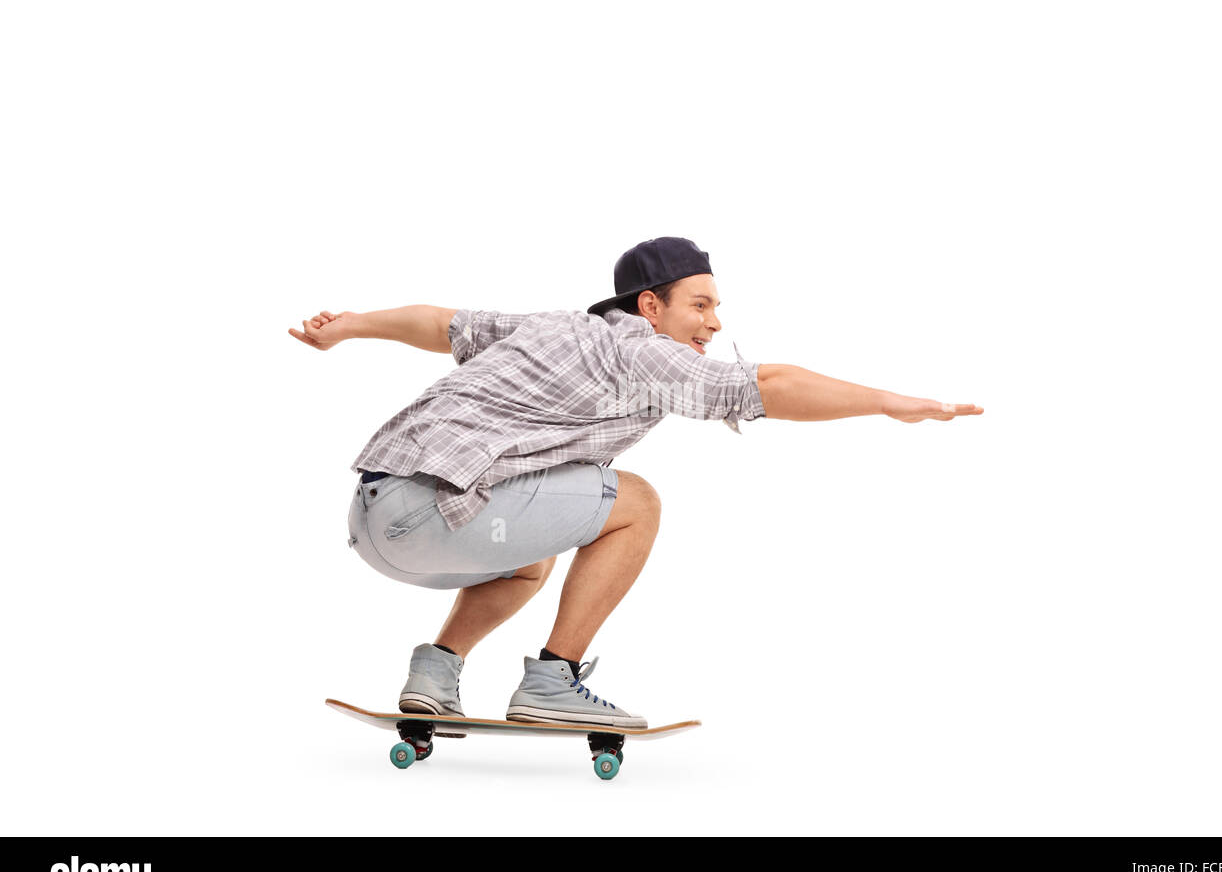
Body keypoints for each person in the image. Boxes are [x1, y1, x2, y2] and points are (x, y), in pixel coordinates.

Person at [288, 237, 983, 730]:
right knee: (636, 502)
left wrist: (349, 327)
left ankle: (435, 672)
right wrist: (892, 401)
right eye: (700, 306)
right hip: (433, 515)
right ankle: (552, 680)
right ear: (650, 306)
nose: (714, 324)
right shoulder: (642, 351)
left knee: (533, 556)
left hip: (376, 518)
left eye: (717, 308)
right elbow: (767, 383)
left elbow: (443, 325)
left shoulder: (558, 326)